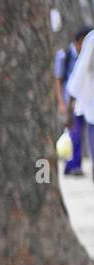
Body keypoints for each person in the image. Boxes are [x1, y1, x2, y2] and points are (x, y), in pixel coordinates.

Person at [59, 27, 93, 176]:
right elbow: (75, 79)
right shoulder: (92, 40)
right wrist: (68, 108)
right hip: (87, 108)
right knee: (76, 136)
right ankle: (73, 166)